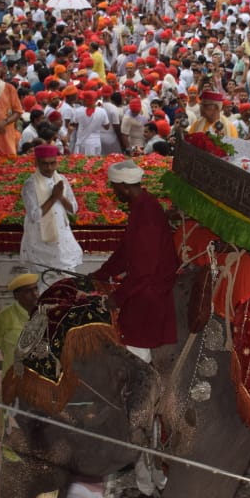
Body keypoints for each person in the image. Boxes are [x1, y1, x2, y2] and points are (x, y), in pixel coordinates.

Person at [92, 160, 179, 360]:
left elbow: (144, 271)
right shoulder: (140, 205)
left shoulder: (147, 213)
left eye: (114, 188)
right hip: (144, 283)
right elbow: (125, 250)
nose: (114, 193)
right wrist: (102, 274)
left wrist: (118, 297)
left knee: (135, 343)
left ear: (124, 187)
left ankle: (142, 385)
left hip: (151, 289)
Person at [19, 145, 83, 283]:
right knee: (44, 282)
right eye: (44, 164)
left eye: (52, 163)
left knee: (67, 280)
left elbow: (73, 208)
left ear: (57, 162)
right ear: (36, 163)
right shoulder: (30, 185)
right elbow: (34, 216)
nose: (49, 168)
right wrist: (53, 197)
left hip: (62, 238)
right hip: (40, 241)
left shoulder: (62, 180)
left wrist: (60, 197)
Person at [0, 272, 40, 401]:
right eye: (28, 291)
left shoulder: (46, 314)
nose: (35, 294)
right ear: (17, 296)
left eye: (36, 289)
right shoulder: (4, 317)